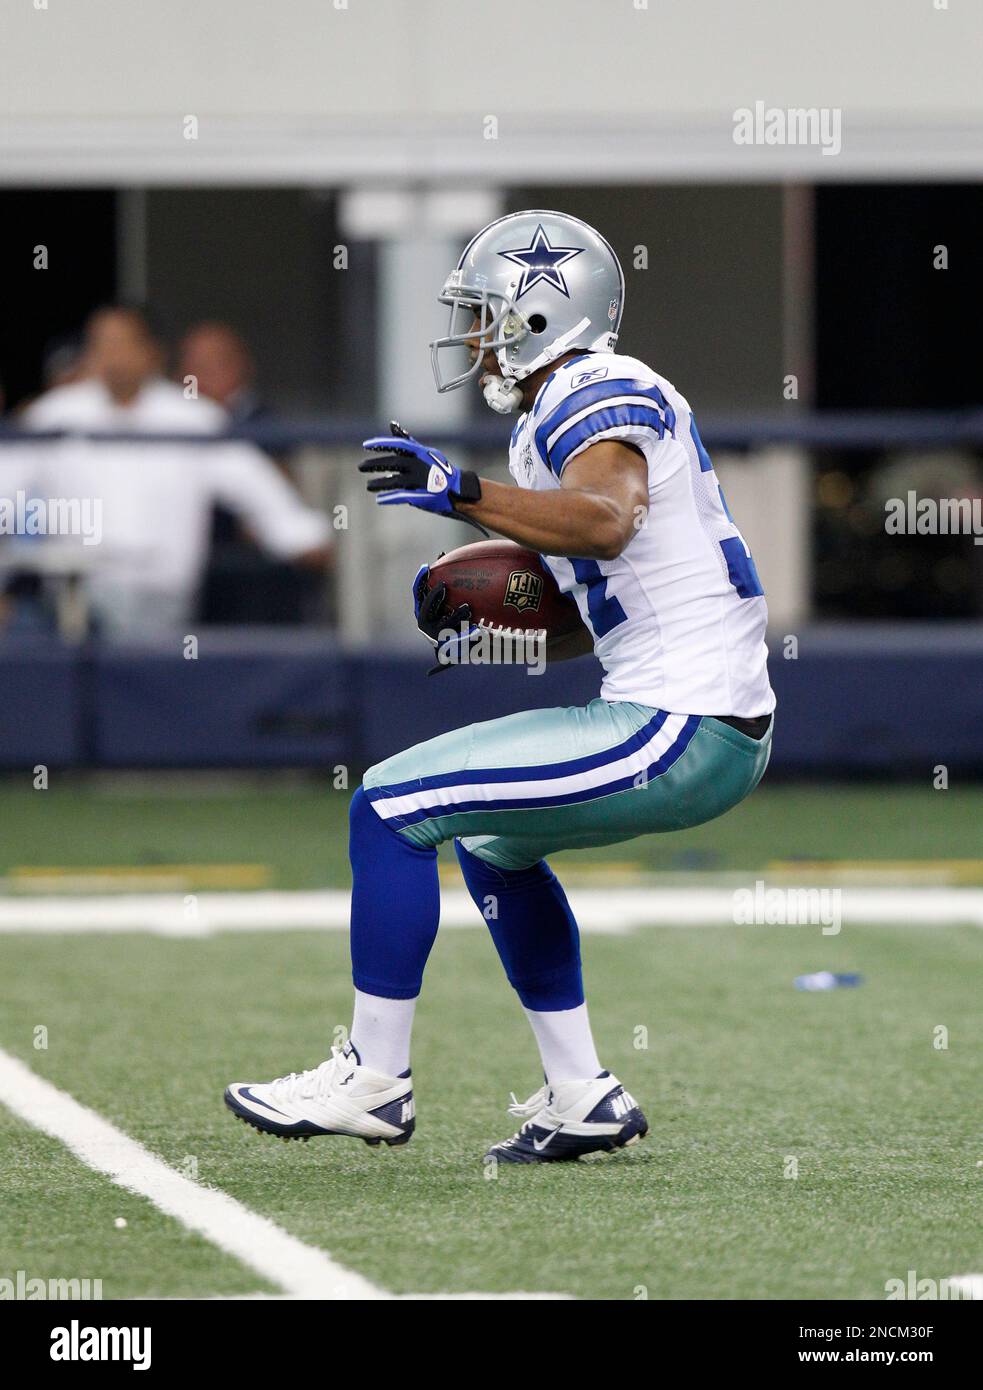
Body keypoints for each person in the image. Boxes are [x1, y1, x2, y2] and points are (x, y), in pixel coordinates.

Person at [225, 210, 775, 1163]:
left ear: (538, 314)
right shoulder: (557, 414)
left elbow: (604, 521)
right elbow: (600, 600)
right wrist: (500, 631)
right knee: (488, 846)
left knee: (387, 805)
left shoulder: (591, 391)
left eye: (485, 309)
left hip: (679, 718)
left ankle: (372, 1079)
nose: (471, 331)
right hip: (690, 709)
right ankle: (581, 1095)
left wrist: (460, 494)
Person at [12, 305, 330, 640]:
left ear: (152, 352)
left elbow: (258, 491)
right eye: (102, 344)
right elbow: (6, 487)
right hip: (73, 607)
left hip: (162, 605)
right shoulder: (53, 415)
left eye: (123, 343)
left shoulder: (191, 419)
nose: (113, 356)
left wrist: (305, 536)